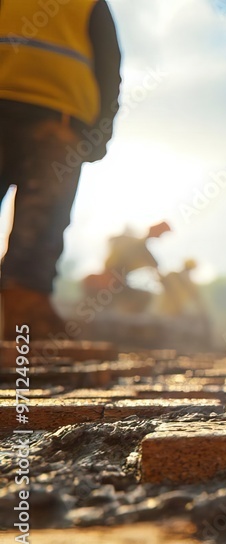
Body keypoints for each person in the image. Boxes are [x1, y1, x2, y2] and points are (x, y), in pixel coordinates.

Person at [0, 0, 122, 340]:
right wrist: (100, 132)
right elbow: (109, 68)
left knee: (44, 218)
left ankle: (25, 312)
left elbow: (109, 66)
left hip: (58, 115)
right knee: (43, 216)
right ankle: (26, 310)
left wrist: (100, 132)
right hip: (59, 115)